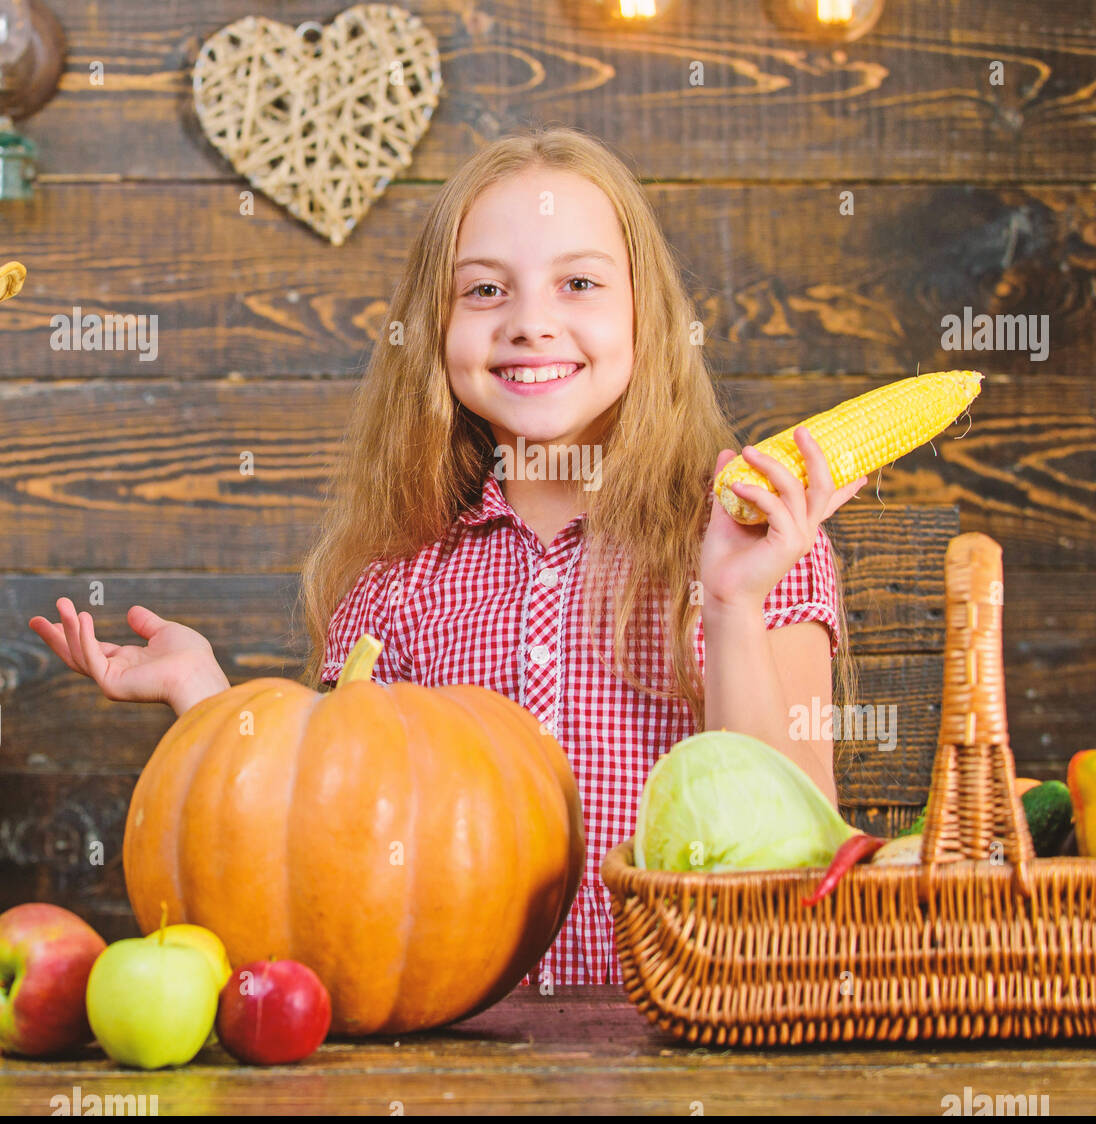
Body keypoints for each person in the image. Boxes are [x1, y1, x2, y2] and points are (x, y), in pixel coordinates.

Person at [29, 124, 865, 986]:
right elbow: (322, 842)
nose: (532, 324)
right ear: (435, 329)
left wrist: (731, 606)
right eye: (485, 291)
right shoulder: (396, 574)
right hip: (462, 1055)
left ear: (644, 313)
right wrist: (205, 695)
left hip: (692, 1038)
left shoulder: (751, 534)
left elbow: (805, 854)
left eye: (578, 283)